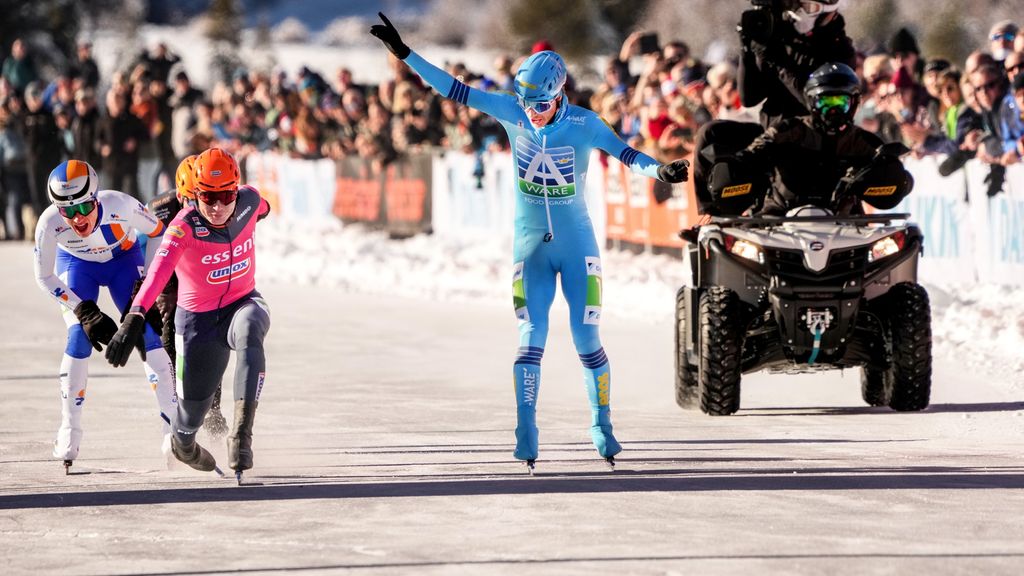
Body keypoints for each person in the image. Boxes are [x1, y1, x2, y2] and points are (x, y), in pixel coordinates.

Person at [370, 13, 690, 470]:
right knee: (530, 335)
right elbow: (453, 89)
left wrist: (659, 170)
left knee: (586, 337)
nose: (531, 113)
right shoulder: (512, 109)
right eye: (526, 104)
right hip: (530, 249)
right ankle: (525, 427)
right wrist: (405, 55)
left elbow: (627, 154)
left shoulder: (584, 123)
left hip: (578, 247)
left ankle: (601, 424)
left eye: (539, 105)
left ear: (559, 95)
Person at [105, 148, 271, 483]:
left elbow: (262, 207)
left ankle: (241, 436)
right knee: (191, 415)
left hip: (242, 301)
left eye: (226, 196)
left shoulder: (250, 201)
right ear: (193, 195)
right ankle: (183, 443)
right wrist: (134, 317)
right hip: (198, 321)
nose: (218, 207)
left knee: (252, 327)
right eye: (208, 198)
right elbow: (157, 274)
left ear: (236, 188)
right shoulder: (182, 225)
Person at [32, 159, 177, 472]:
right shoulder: (48, 222)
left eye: (83, 207)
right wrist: (83, 309)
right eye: (67, 211)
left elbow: (158, 233)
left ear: (96, 198)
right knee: (79, 337)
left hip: (123, 262)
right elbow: (44, 277)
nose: (76, 218)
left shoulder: (120, 205)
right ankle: (69, 430)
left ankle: (172, 428)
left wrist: (147, 284)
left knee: (147, 334)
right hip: (75, 267)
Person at [693, 0, 855, 213]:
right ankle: (710, 215)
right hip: (770, 132)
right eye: (798, 5)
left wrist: (779, 63)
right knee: (710, 134)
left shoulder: (839, 49)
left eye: (808, 6)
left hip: (815, 139)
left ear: (829, 11)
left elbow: (812, 100)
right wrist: (748, 50)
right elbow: (750, 97)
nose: (800, 12)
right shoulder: (781, 38)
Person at [731, 63, 911, 215]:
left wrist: (891, 176)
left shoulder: (864, 142)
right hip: (778, 220)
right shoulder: (787, 130)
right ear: (811, 102)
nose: (833, 111)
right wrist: (741, 166)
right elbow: (751, 155)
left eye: (840, 103)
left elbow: (895, 180)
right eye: (825, 103)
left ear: (854, 103)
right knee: (742, 250)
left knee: (897, 245)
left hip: (844, 224)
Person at [144, 155, 230, 437]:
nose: (199, 208)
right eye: (192, 201)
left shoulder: (215, 206)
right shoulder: (158, 210)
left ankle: (212, 408)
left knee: (209, 336)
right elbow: (142, 251)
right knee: (171, 331)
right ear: (180, 195)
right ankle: (177, 404)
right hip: (168, 270)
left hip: (200, 269)